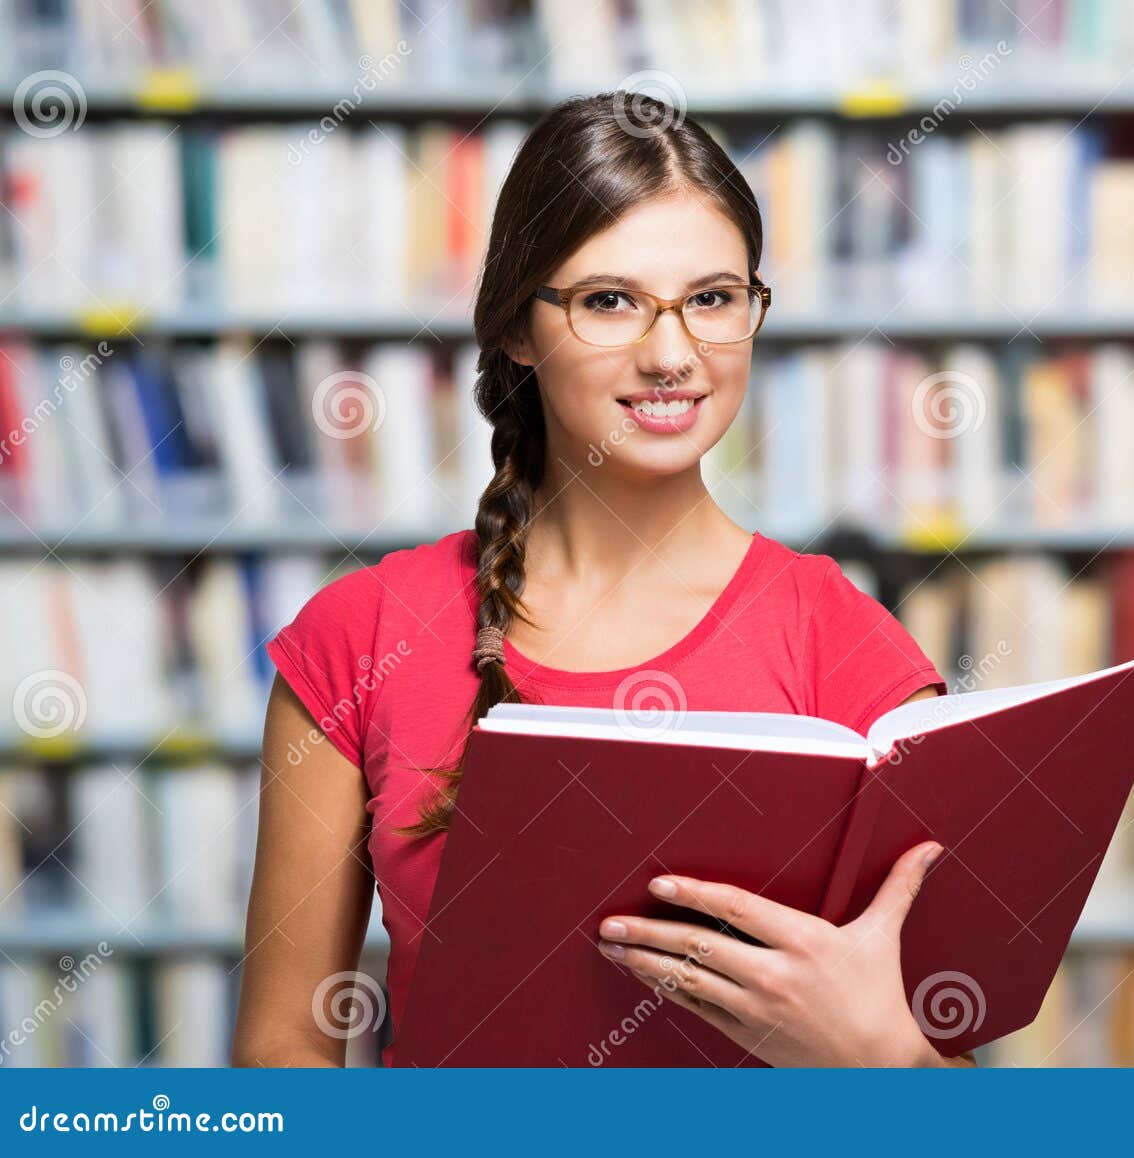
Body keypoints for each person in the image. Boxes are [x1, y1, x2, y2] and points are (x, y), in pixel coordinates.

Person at [232, 93, 972, 1068]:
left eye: (712, 299)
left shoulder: (848, 650)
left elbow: (951, 1078)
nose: (672, 356)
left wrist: (883, 1056)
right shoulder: (361, 638)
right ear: (516, 329)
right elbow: (283, 1053)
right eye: (609, 301)